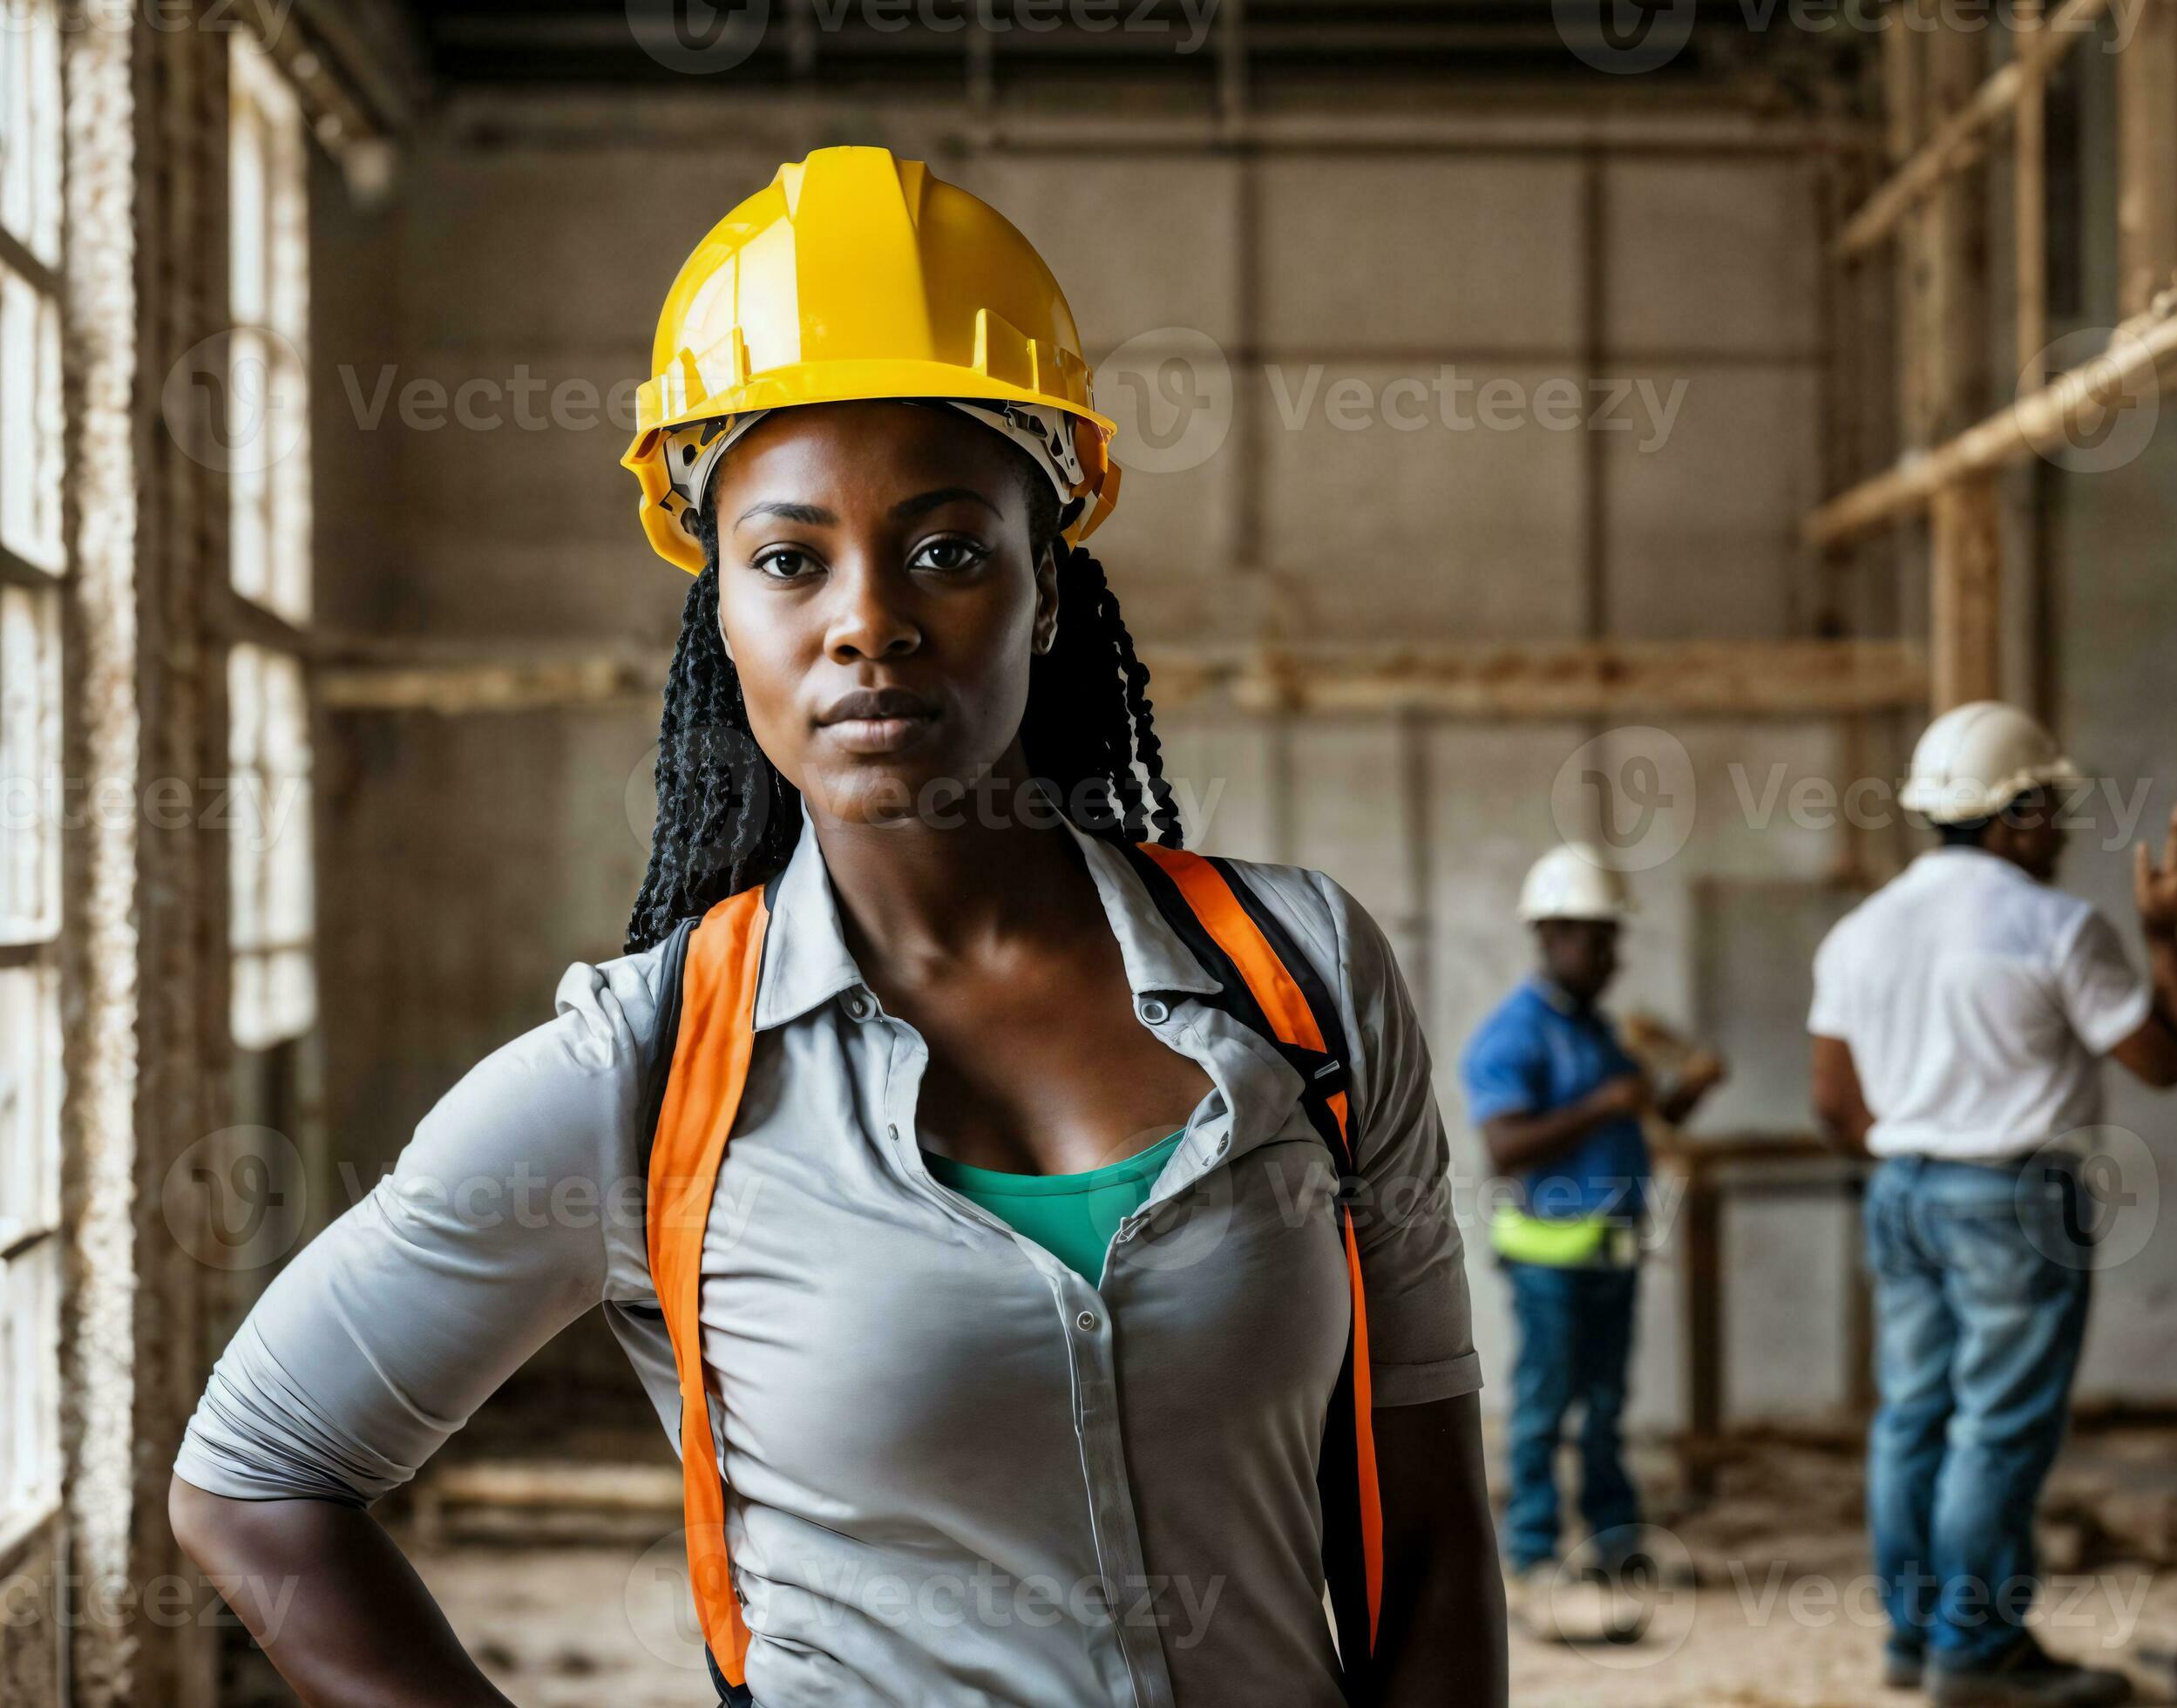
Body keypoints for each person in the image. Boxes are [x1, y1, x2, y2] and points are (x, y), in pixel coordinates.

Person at [167, 146, 1505, 1706]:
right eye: (789, 560)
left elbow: (1428, 1534)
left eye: (946, 548)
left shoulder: (1304, 981)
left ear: (1047, 592)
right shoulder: (647, 1073)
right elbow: (255, 1484)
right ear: (721, 614)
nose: (868, 618)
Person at [1808, 701, 2177, 1708]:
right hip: (2015, 1198)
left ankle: (1916, 1638)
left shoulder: (1861, 932)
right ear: (2015, 811)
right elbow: (2159, 1058)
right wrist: (2161, 934)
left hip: (1903, 1189)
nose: (2060, 830)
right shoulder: (2054, 924)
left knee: (1913, 1420)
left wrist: (1922, 1155)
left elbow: (1835, 1104)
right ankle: (1974, 1654)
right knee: (1996, 1430)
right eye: (2051, 809)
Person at [1461, 846, 1723, 1615]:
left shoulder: (1602, 1032)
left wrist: (1686, 1095)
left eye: (1612, 938)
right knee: (1545, 1405)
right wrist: (1605, 1105)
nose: (1610, 956)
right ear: (1548, 935)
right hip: (1548, 1255)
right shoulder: (1513, 1035)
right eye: (1593, 938)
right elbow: (1505, 1147)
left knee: (1606, 1403)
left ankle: (1613, 1542)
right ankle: (1534, 1549)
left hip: (1612, 1245)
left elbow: (1639, 1121)